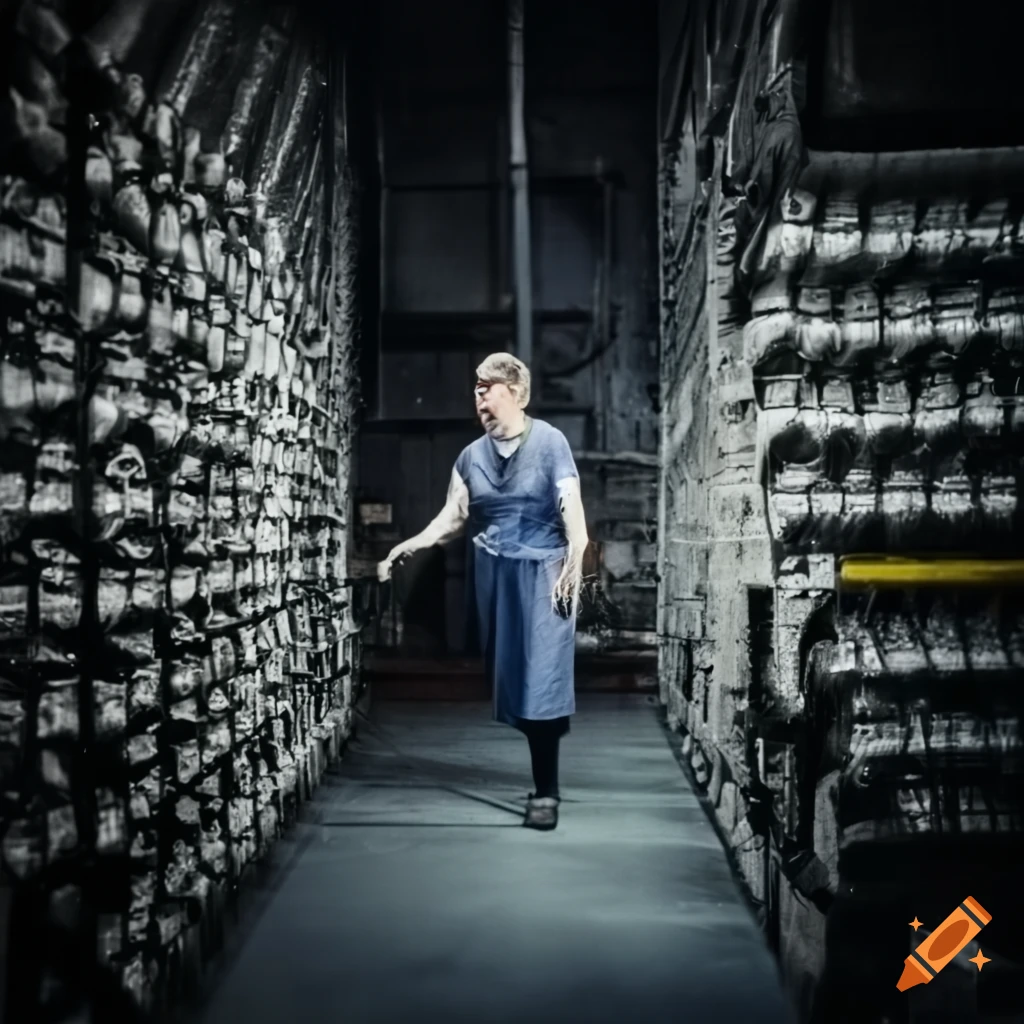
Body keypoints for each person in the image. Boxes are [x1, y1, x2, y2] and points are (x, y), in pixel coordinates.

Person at [377, 353, 588, 831]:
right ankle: (547, 733)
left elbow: (573, 513)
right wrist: (404, 548)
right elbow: (451, 519)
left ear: (514, 392)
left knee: (540, 681)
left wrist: (575, 561)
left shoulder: (551, 443)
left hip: (545, 576)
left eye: (487, 387)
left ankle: (546, 792)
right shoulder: (471, 457)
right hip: (497, 578)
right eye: (476, 389)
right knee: (517, 684)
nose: (479, 397)